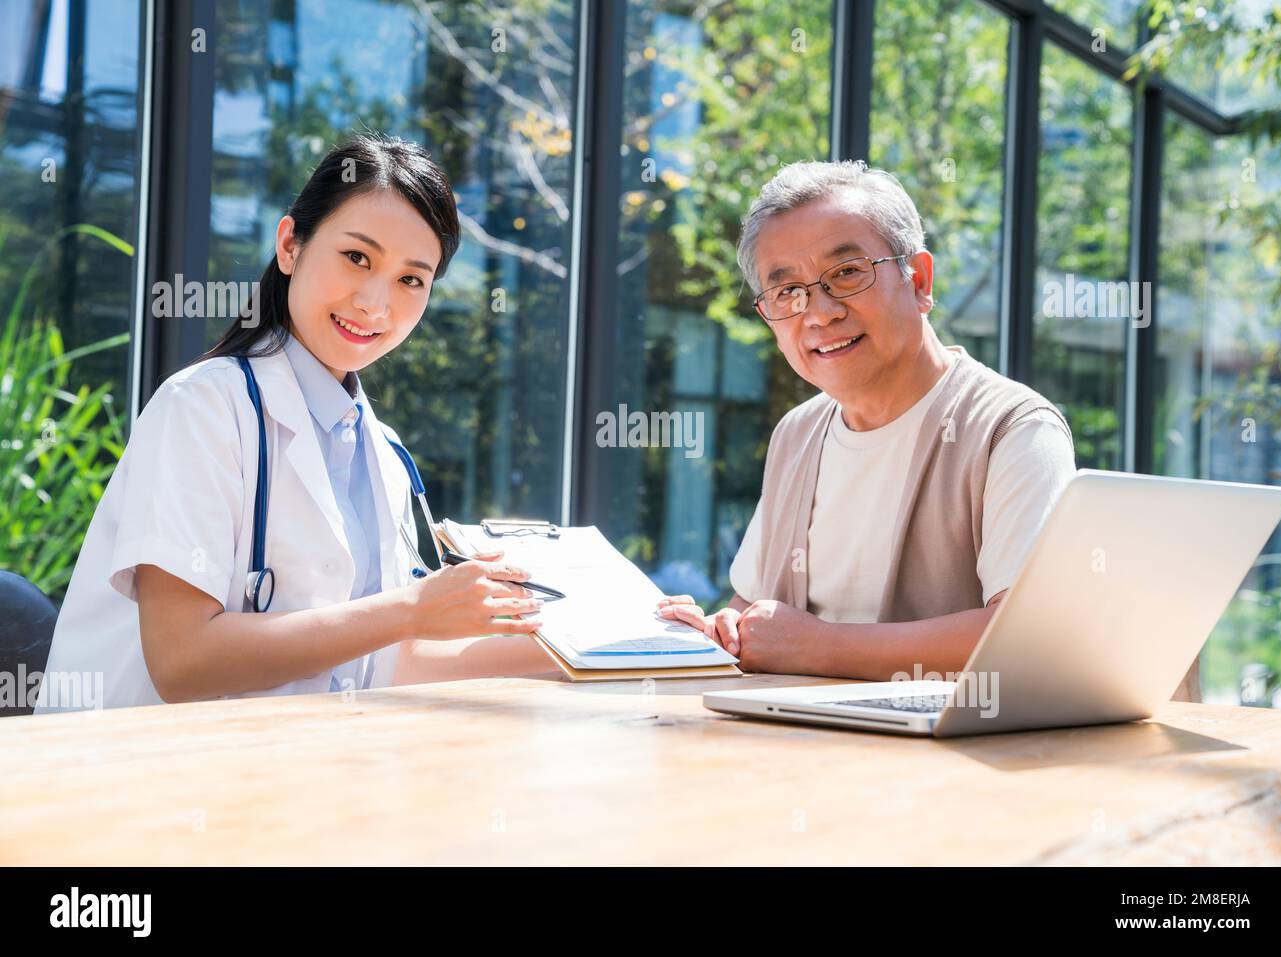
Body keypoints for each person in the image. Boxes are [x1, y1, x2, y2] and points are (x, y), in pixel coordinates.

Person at [36, 134, 559, 711]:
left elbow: (384, 662)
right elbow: (182, 660)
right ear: (290, 246)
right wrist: (412, 610)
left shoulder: (380, 452)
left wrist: (625, 647)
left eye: (412, 279)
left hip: (292, 777)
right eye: (357, 257)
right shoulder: (202, 408)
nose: (375, 303)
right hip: (140, 780)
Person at [660, 160, 1078, 681]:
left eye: (846, 273)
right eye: (787, 291)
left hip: (943, 757)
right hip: (788, 749)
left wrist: (824, 648)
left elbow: (1028, 635)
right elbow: (756, 615)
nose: (819, 313)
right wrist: (722, 630)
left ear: (919, 279)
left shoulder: (1011, 426)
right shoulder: (797, 434)